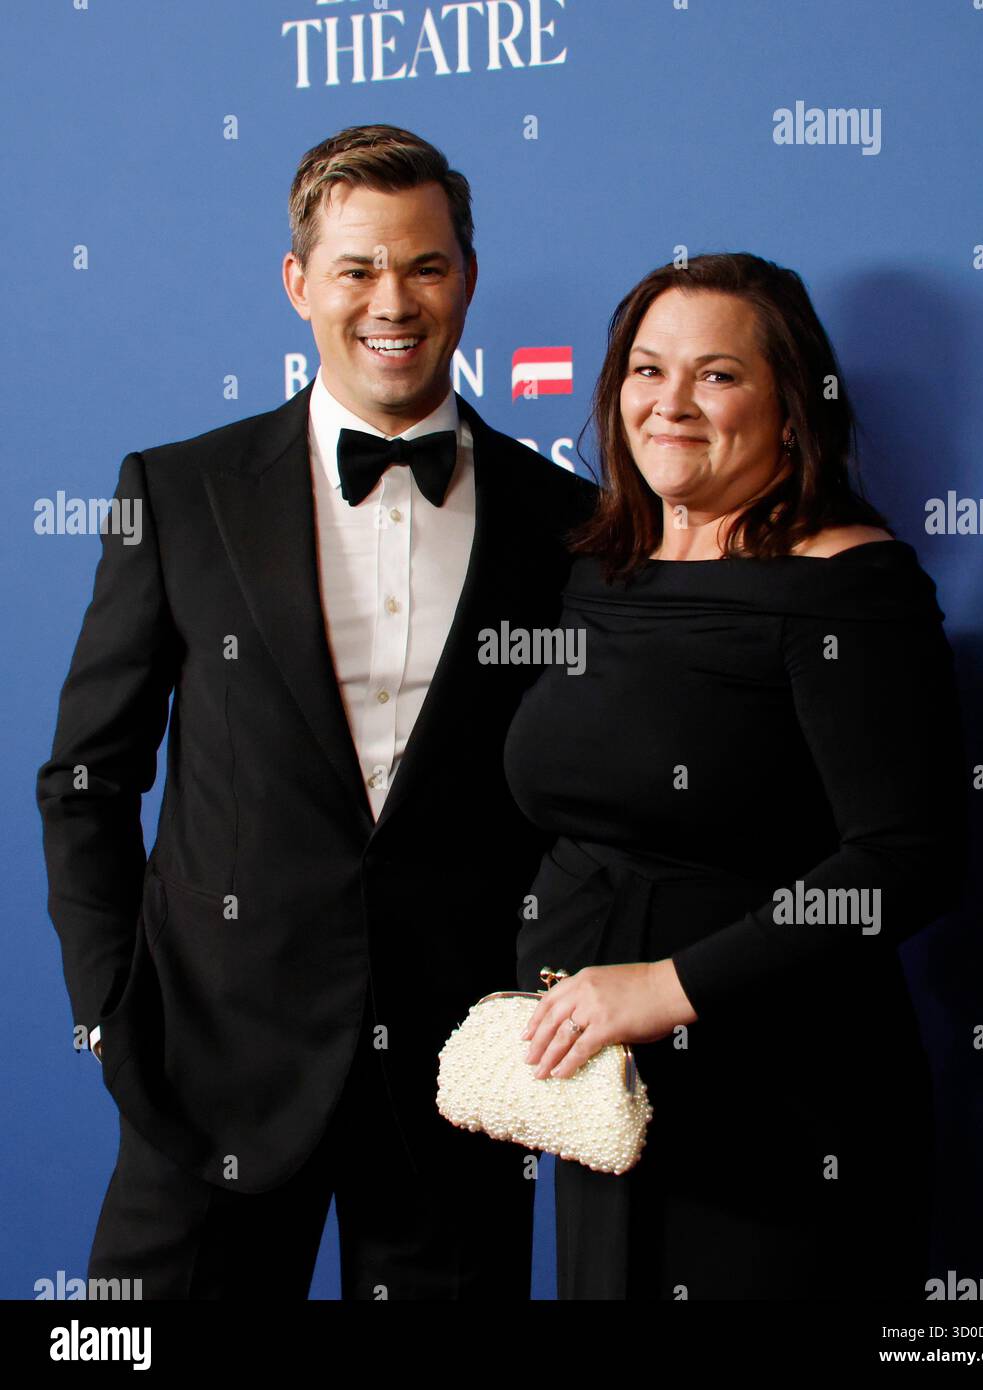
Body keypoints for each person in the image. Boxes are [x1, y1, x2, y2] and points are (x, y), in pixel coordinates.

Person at [36, 124, 596, 1300]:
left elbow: (584, 798)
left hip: (458, 1085)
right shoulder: (180, 493)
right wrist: (108, 1011)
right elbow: (88, 775)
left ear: (467, 279)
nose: (391, 300)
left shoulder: (569, 522)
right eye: (355, 268)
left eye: (425, 266)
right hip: (207, 1071)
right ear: (298, 283)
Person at [503, 252, 967, 1300]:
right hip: (600, 1101)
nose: (669, 403)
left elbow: (907, 860)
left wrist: (665, 989)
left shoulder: (849, 586)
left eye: (715, 375)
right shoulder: (599, 569)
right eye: (645, 370)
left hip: (781, 1103)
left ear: (791, 408)